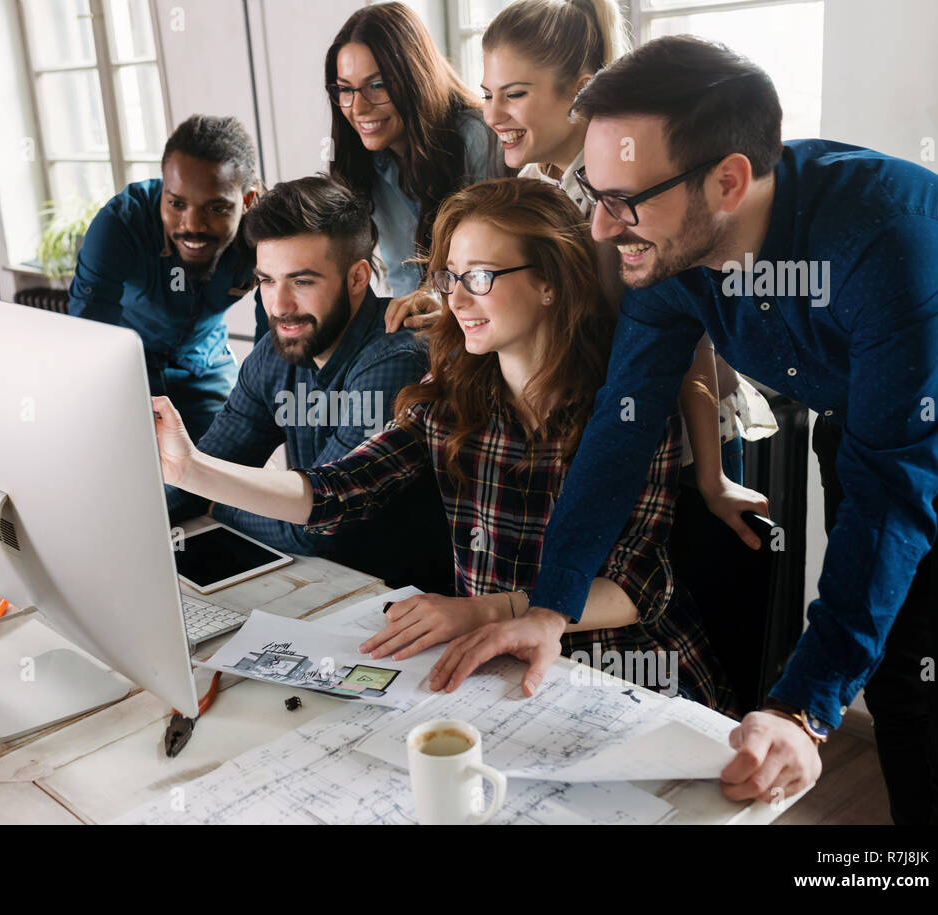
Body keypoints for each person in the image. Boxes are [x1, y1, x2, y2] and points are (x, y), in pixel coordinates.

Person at [429, 35, 938, 823]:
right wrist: (550, 605)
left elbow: (894, 496)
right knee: (897, 680)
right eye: (595, 190)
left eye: (625, 200)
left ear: (727, 180)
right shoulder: (666, 251)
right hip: (864, 428)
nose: (599, 229)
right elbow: (622, 427)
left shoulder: (893, 244)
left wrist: (802, 711)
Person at [155, 178, 738, 715]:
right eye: (450, 277)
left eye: (480, 276)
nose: (457, 301)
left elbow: (638, 589)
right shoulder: (450, 400)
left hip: (621, 672)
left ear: (549, 282)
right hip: (489, 665)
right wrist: (193, 469)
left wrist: (486, 609)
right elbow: (336, 492)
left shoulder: (627, 411)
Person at [388, 0, 776, 543]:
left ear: (579, 89)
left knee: (666, 596)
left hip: (685, 431)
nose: (493, 114)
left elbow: (687, 343)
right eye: (487, 94)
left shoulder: (622, 191)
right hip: (607, 417)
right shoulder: (537, 182)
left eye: (515, 94)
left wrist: (713, 480)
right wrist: (461, 295)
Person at [166, 175, 452, 593]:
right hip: (316, 584)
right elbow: (204, 466)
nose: (279, 306)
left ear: (357, 278)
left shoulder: (394, 360)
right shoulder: (275, 352)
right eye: (267, 280)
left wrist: (213, 498)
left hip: (400, 601)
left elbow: (316, 526)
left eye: (301, 282)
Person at [69, 114, 261, 442]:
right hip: (127, 370)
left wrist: (257, 421)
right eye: (176, 204)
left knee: (232, 465)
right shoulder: (119, 225)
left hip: (206, 363)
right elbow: (88, 334)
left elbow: (276, 342)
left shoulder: (268, 233)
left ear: (246, 202)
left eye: (216, 208)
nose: (192, 225)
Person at [323, 2, 504, 299]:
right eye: (345, 89)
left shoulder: (477, 138)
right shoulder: (367, 157)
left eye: (377, 85)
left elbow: (489, 273)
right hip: (419, 331)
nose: (357, 108)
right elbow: (402, 281)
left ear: (415, 79)